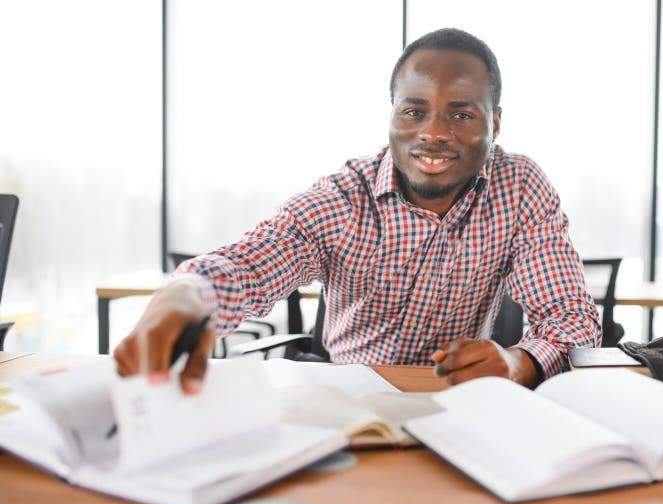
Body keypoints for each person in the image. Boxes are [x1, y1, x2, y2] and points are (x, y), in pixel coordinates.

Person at [114, 28, 601, 393]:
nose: (433, 132)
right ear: (391, 115)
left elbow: (572, 318)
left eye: (461, 113)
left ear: (494, 122)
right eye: (413, 110)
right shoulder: (345, 198)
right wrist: (187, 293)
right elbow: (250, 263)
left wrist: (520, 362)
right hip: (350, 400)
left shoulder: (520, 186)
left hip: (460, 402)